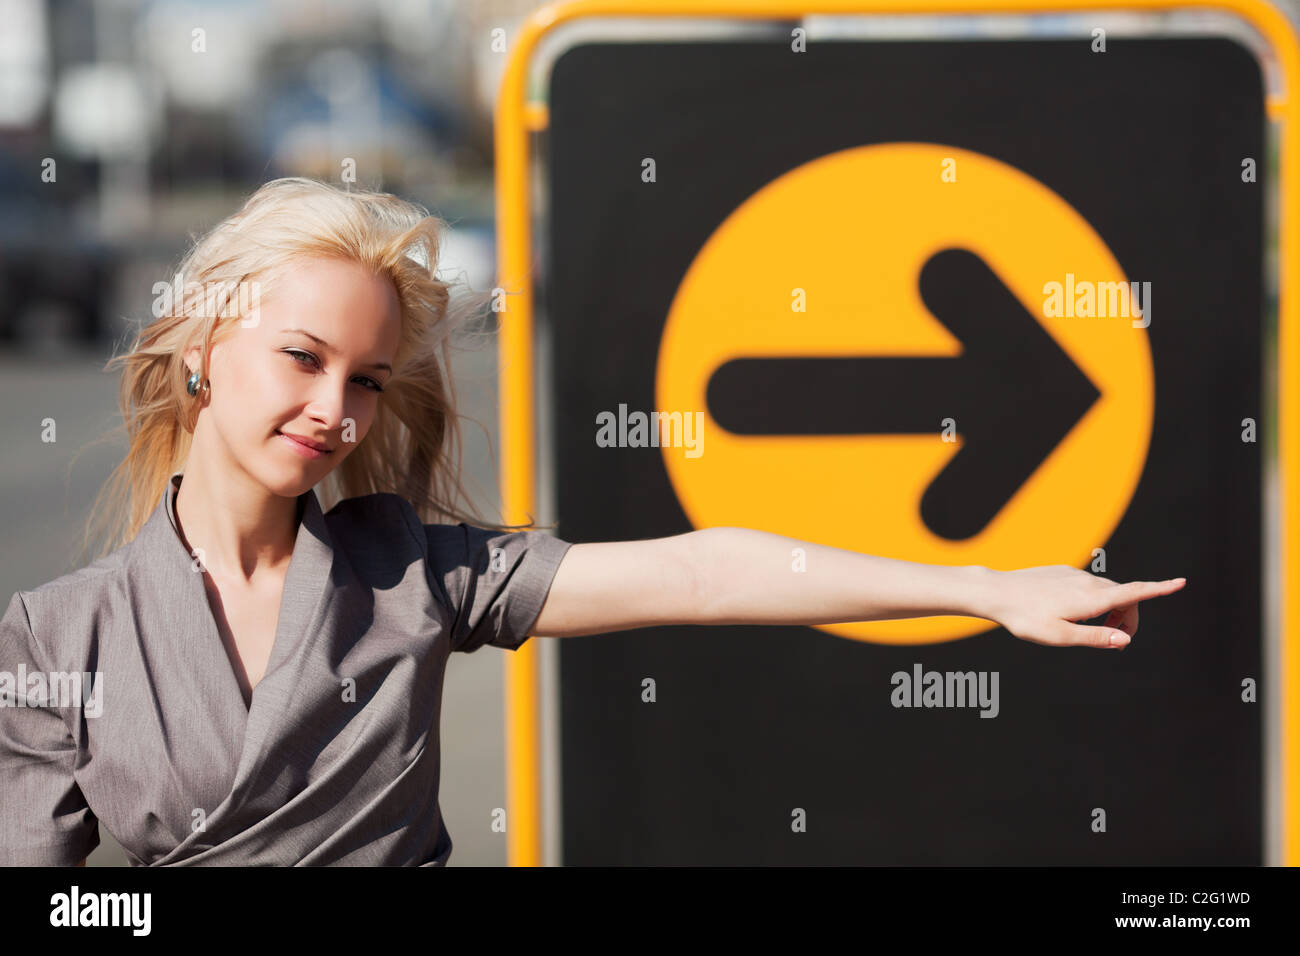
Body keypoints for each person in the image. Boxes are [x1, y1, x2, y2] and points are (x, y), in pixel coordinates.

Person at [0, 177, 1185, 867]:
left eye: (366, 378)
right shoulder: (54, 641)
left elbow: (710, 575)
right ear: (204, 349)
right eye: (303, 359)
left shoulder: (412, 570)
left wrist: (985, 587)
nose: (336, 409)